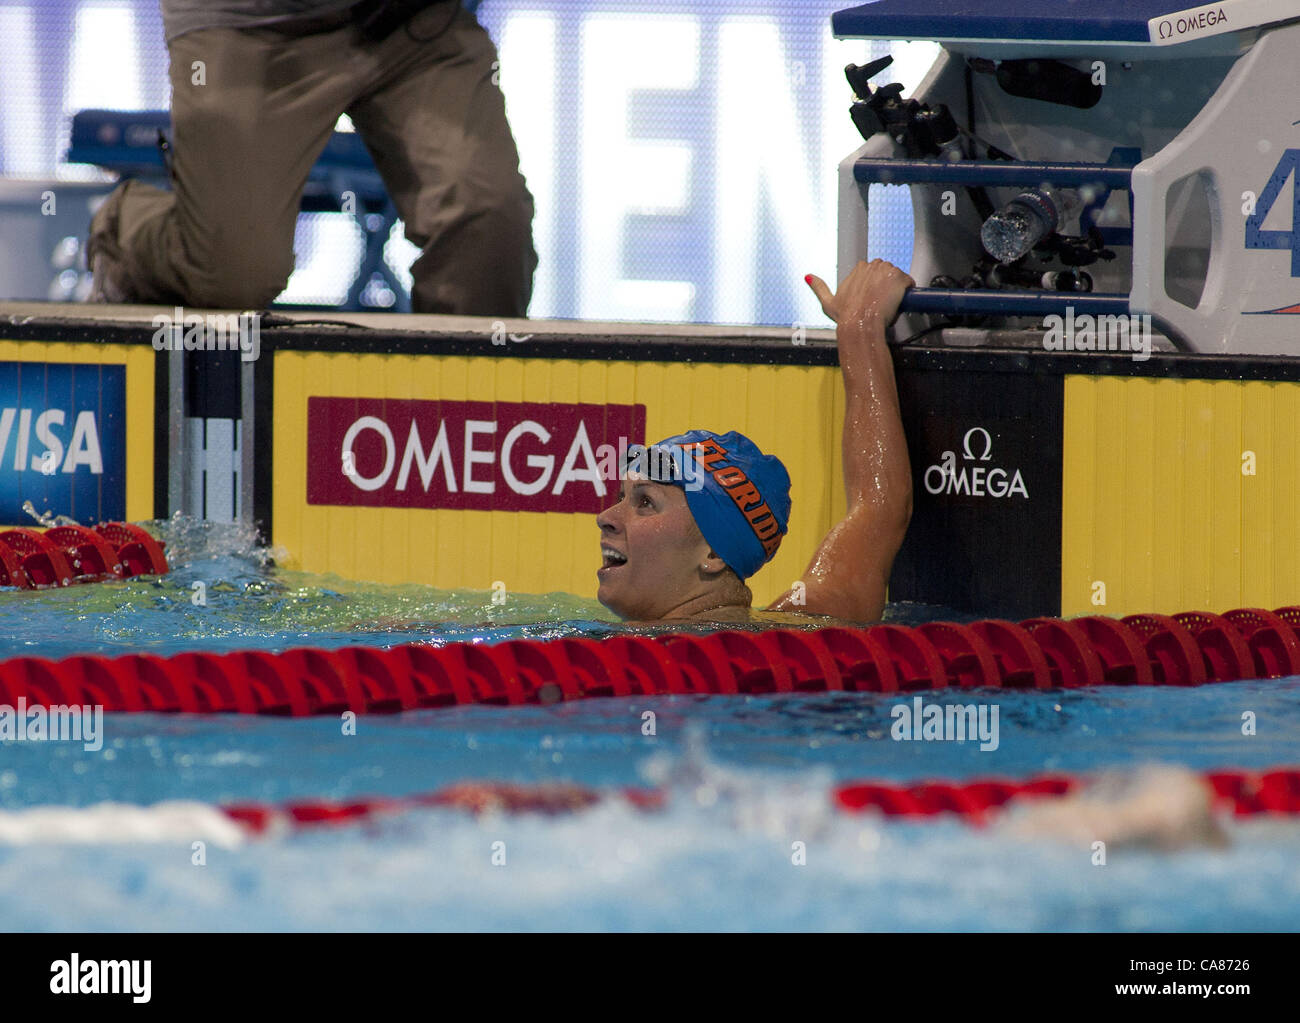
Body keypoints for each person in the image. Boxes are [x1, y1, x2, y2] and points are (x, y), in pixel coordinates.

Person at [87, 0, 536, 316]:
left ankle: (459, 416)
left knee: (489, 219)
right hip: (249, 24)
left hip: (410, 20)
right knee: (232, 274)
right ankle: (125, 228)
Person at [596, 258, 915, 624]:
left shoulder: (596, 650)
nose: (605, 518)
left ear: (713, 553)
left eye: (646, 503)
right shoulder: (809, 628)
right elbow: (879, 507)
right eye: (623, 497)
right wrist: (859, 327)